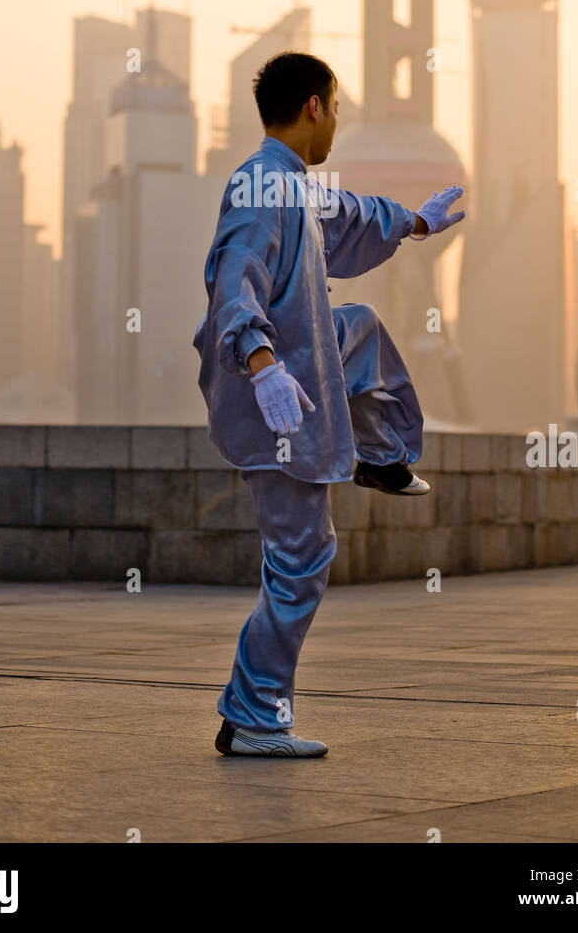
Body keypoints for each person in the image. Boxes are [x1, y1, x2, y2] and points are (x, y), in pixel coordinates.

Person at [192, 51, 464, 758]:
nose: (337, 123)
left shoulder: (295, 186)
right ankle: (254, 716)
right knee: (301, 559)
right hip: (275, 399)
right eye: (337, 108)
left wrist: (414, 224)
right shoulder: (260, 188)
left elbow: (351, 219)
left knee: (360, 327)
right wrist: (260, 365)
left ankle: (381, 457)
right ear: (315, 105)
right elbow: (234, 278)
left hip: (306, 359)